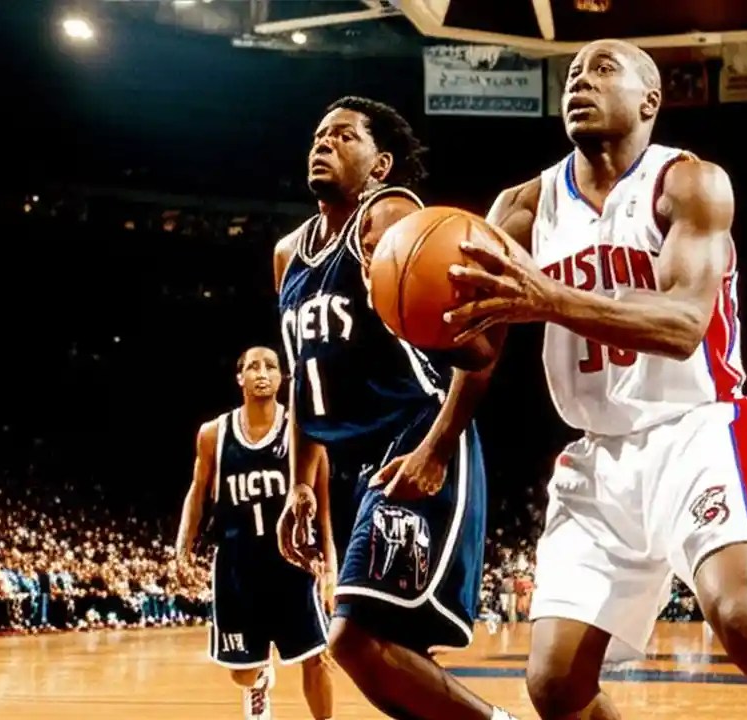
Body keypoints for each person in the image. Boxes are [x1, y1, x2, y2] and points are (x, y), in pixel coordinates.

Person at [442, 40, 747, 720]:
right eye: (572, 74)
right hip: (597, 453)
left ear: (649, 101)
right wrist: (426, 326)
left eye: (603, 69)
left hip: (698, 432)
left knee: (742, 614)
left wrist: (546, 298)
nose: (580, 80)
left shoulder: (688, 183)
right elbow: (478, 347)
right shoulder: (520, 205)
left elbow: (683, 323)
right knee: (554, 685)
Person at [273, 96, 516, 720]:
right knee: (381, 653)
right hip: (356, 466)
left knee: (352, 639)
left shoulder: (390, 216)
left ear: (381, 164)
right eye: (319, 134)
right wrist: (301, 483)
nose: (323, 143)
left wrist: (435, 448)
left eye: (344, 136)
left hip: (414, 439)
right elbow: (302, 380)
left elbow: (481, 344)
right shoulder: (286, 257)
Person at [175, 346, 335, 720]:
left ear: (282, 377)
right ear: (239, 378)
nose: (262, 373)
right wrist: (183, 546)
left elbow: (325, 511)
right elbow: (197, 493)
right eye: (252, 367)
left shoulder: (305, 431)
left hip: (293, 564)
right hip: (236, 566)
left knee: (317, 657)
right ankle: (259, 676)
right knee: (241, 670)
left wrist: (331, 571)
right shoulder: (214, 434)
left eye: (271, 366)